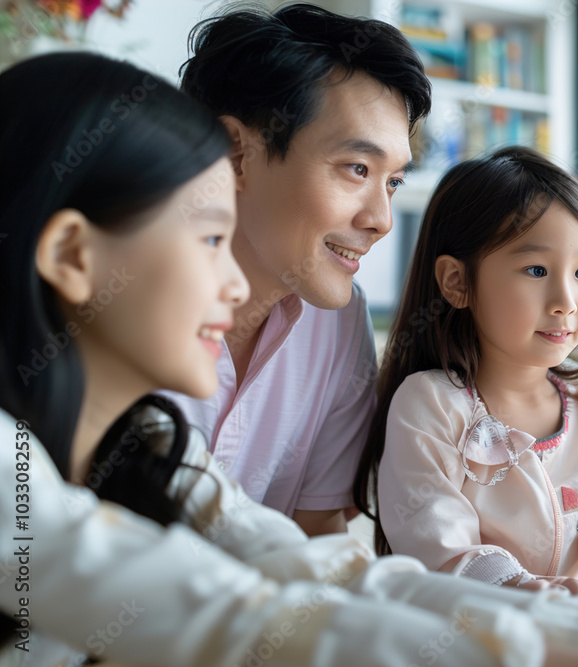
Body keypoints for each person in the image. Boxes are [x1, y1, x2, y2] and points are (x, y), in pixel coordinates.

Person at [0, 52, 578, 667]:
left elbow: (330, 572)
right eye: (209, 238)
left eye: (393, 181)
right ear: (74, 255)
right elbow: (248, 616)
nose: (232, 281)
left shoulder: (154, 448)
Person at [161, 3, 431, 535]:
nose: (381, 221)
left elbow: (318, 538)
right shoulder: (117, 296)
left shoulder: (337, 318)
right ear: (235, 152)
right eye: (357, 169)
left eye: (393, 181)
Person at [361, 146, 578, 614]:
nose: (566, 299)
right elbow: (440, 549)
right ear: (457, 282)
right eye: (537, 270)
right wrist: (521, 593)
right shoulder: (429, 405)